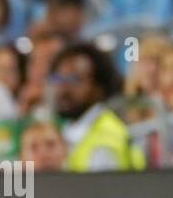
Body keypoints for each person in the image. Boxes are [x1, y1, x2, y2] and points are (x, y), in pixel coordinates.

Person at [50, 42, 144, 171]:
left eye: (74, 79)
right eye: (58, 78)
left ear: (99, 88)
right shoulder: (65, 130)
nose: (63, 89)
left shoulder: (105, 142)